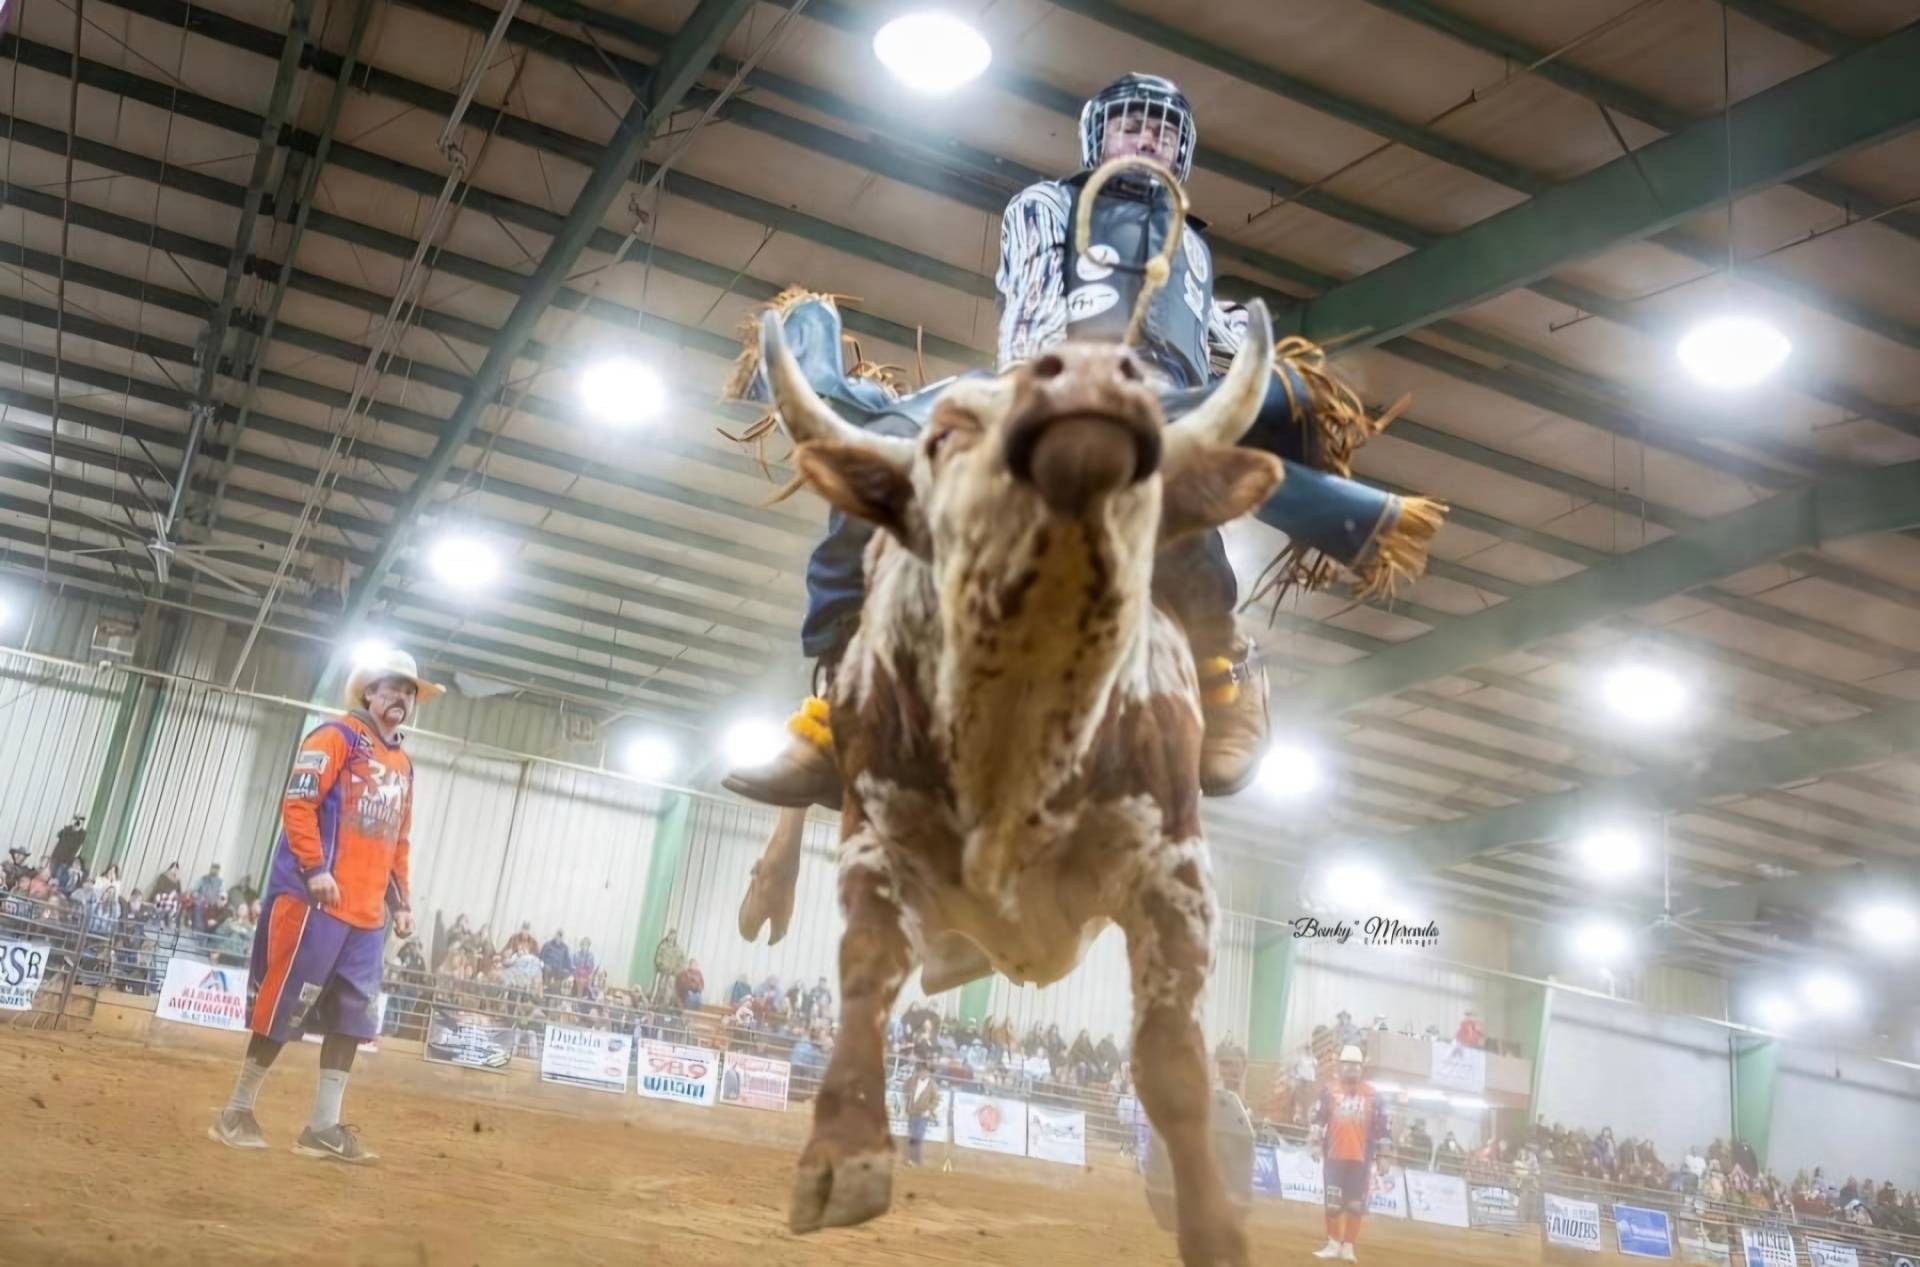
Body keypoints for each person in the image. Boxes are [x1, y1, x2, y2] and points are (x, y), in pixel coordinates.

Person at [720, 71, 1440, 810]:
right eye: (1134, 123)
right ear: (1100, 137)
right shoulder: (1044, 204)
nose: (1148, 137)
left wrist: (1280, 386)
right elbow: (1032, 311)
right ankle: (844, 691)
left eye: (1164, 130)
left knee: (1182, 464)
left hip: (1158, 397)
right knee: (875, 452)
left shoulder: (1190, 247)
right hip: (1042, 381)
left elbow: (1216, 329)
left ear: (1182, 152)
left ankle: (1221, 667)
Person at [208, 646, 439, 1164]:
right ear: (369, 692)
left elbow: (399, 839)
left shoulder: (403, 764)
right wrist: (315, 870)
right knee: (284, 1007)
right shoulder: (333, 737)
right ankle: (235, 1111)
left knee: (352, 1022)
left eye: (409, 690)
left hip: (366, 919)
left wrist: (401, 902)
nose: (401, 696)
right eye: (392, 686)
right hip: (314, 902)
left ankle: (322, 1128)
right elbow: (298, 804)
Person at [1311, 1044, 1389, 1262]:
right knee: (1333, 1203)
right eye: (1348, 1065)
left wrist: (1384, 1156)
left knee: (1356, 1205)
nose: (1352, 1069)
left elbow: (1384, 1128)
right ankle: (1333, 1243)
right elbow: (1318, 1119)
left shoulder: (1374, 1095)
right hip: (1334, 1157)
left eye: (1356, 1065)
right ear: (1340, 1066)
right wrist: (1316, 1143)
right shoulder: (1329, 1091)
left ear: (1362, 1067)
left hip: (1361, 1160)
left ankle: (1348, 1247)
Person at [903, 1058, 940, 1168]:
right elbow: (905, 1089)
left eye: (925, 1071)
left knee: (918, 1135)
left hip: (924, 1113)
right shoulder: (912, 1081)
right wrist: (907, 1103)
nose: (922, 1073)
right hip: (913, 1111)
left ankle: (915, 1160)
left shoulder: (932, 1085)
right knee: (913, 1135)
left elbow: (936, 1100)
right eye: (920, 1071)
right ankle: (912, 1159)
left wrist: (929, 1110)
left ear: (928, 1073)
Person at [651, 928, 685, 1004]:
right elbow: (657, 957)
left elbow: (681, 962)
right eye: (670, 935)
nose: (672, 937)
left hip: (672, 974)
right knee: (659, 989)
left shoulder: (678, 949)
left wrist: (675, 971)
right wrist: (661, 966)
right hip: (662, 972)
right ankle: (655, 1004)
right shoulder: (662, 945)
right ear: (668, 935)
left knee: (668, 991)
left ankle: (665, 1006)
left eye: (674, 935)